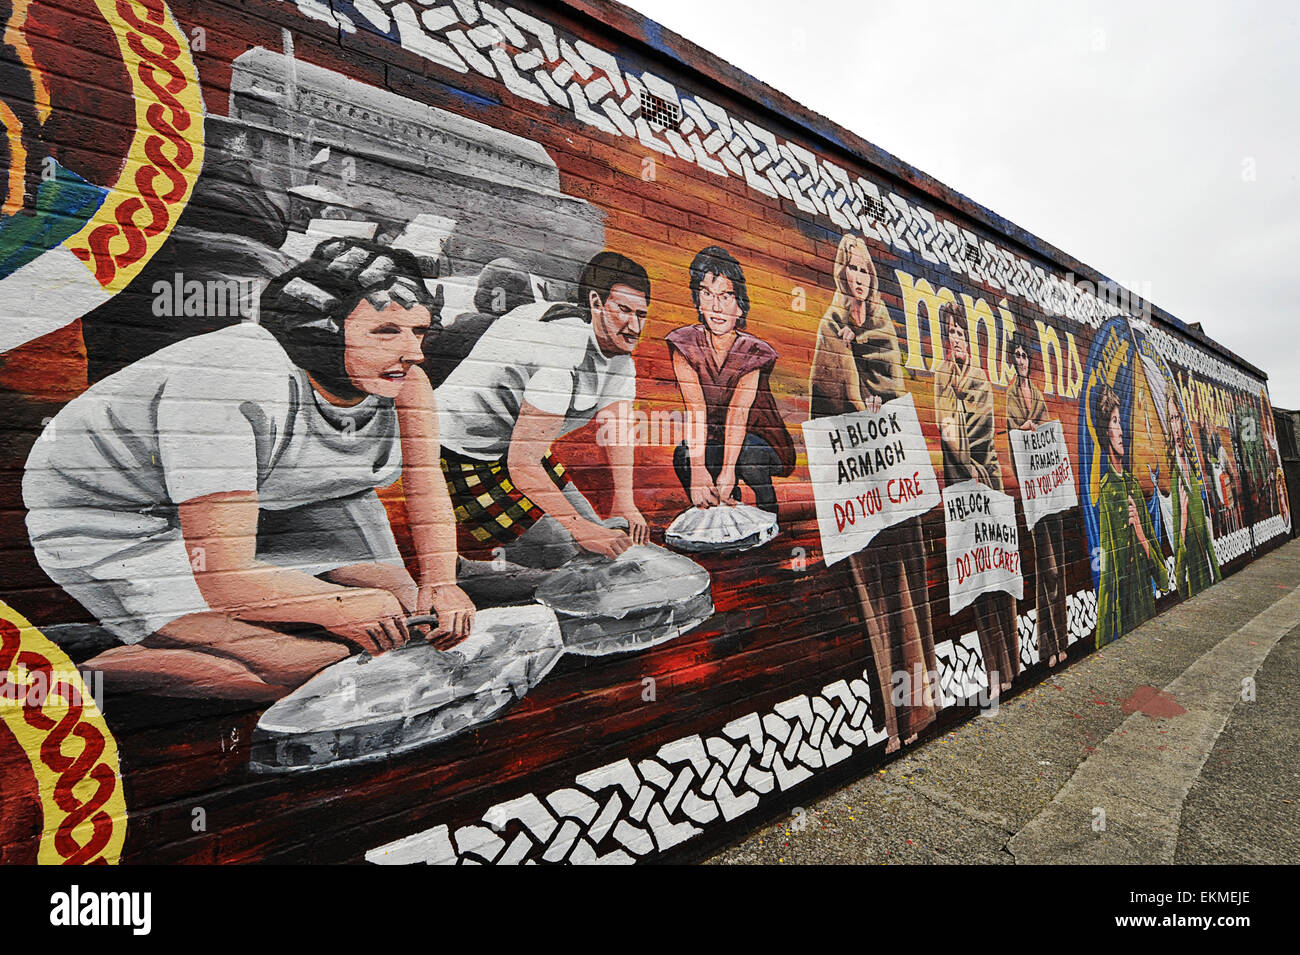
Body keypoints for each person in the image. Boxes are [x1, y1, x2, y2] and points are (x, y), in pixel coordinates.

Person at [23, 238, 476, 701]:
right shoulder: (232, 377)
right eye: (386, 332)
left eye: (418, 332)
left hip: (286, 497)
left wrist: (442, 585)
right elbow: (222, 573)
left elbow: (426, 485)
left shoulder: (405, 380)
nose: (414, 352)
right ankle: (65, 675)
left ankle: (186, 628)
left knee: (406, 613)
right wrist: (332, 605)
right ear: (320, 329)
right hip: (123, 518)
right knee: (299, 668)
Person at [434, 250, 651, 569]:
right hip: (460, 453)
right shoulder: (561, 352)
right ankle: (469, 574)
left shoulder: (618, 358)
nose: (634, 325)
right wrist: (580, 530)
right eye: (623, 310)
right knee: (565, 551)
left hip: (517, 448)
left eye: (641, 314)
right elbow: (521, 465)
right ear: (595, 302)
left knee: (601, 545)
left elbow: (616, 428)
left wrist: (625, 501)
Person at [810, 234, 937, 751]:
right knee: (874, 602)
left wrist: (878, 401)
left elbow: (897, 388)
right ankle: (892, 722)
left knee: (905, 593)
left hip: (893, 479)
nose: (858, 279)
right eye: (851, 270)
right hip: (857, 486)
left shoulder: (883, 323)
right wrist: (851, 400)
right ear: (841, 273)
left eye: (865, 271)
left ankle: (920, 710)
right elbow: (823, 396)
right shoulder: (830, 325)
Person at [667, 246, 794, 515]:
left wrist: (727, 473)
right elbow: (696, 409)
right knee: (685, 456)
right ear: (697, 300)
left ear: (739, 303)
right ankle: (724, 510)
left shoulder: (753, 351)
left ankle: (768, 513)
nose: (716, 307)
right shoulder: (685, 344)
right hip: (714, 438)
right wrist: (699, 471)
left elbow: (738, 414)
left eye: (726, 296)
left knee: (748, 456)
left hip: (759, 439)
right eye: (707, 294)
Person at [934, 300, 1019, 695]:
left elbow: (982, 431)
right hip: (962, 495)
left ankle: (1014, 664)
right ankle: (995, 671)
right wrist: (964, 467)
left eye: (962, 333)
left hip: (990, 487)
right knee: (977, 580)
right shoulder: (942, 377)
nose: (957, 340)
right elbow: (946, 425)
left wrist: (976, 468)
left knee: (1001, 575)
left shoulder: (981, 379)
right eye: (950, 333)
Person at [1004, 330, 1069, 668]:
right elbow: (1015, 439)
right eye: (1016, 356)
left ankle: (1062, 640)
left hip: (1051, 490)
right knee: (1047, 569)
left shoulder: (1039, 395)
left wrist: (1038, 427)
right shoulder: (1010, 397)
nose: (1021, 362)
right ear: (1012, 362)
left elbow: (1049, 433)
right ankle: (1048, 646)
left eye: (1025, 356)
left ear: (1030, 361)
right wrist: (1023, 430)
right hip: (1033, 493)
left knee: (1059, 567)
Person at [1094, 384, 1169, 647]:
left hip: (1147, 608)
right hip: (1127, 615)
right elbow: (1106, 571)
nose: (1122, 430)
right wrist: (1101, 642)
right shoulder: (1106, 492)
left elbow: (1159, 570)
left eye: (1121, 421)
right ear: (1105, 431)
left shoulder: (1133, 485)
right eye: (1115, 422)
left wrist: (1139, 532)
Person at [1164, 391, 1219, 598]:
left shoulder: (1190, 466)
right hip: (1194, 573)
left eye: (1177, 417)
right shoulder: (1174, 476)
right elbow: (1178, 554)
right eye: (1171, 419)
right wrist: (1184, 520)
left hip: (1208, 566)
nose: (1176, 426)